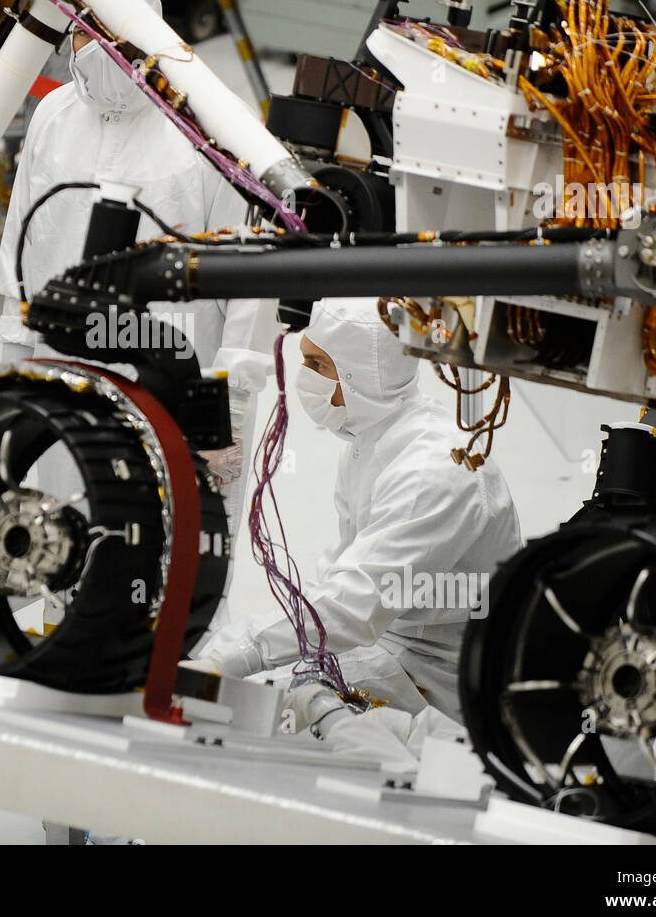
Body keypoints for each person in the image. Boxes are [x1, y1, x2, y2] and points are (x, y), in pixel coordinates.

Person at [0, 0, 275, 555]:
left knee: (174, 570)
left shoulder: (213, 128)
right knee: (62, 552)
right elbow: (24, 254)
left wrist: (232, 411)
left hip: (176, 399)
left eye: (113, 33)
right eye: (82, 30)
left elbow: (249, 289)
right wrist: (11, 384)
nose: (96, 50)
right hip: (67, 387)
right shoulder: (52, 116)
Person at [194, 298, 522, 722]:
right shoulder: (370, 446)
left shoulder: (434, 469)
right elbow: (335, 580)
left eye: (317, 364)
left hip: (446, 684)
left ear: (361, 375)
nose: (303, 378)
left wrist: (240, 652)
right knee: (257, 699)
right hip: (391, 651)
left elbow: (353, 605)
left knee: (272, 717)